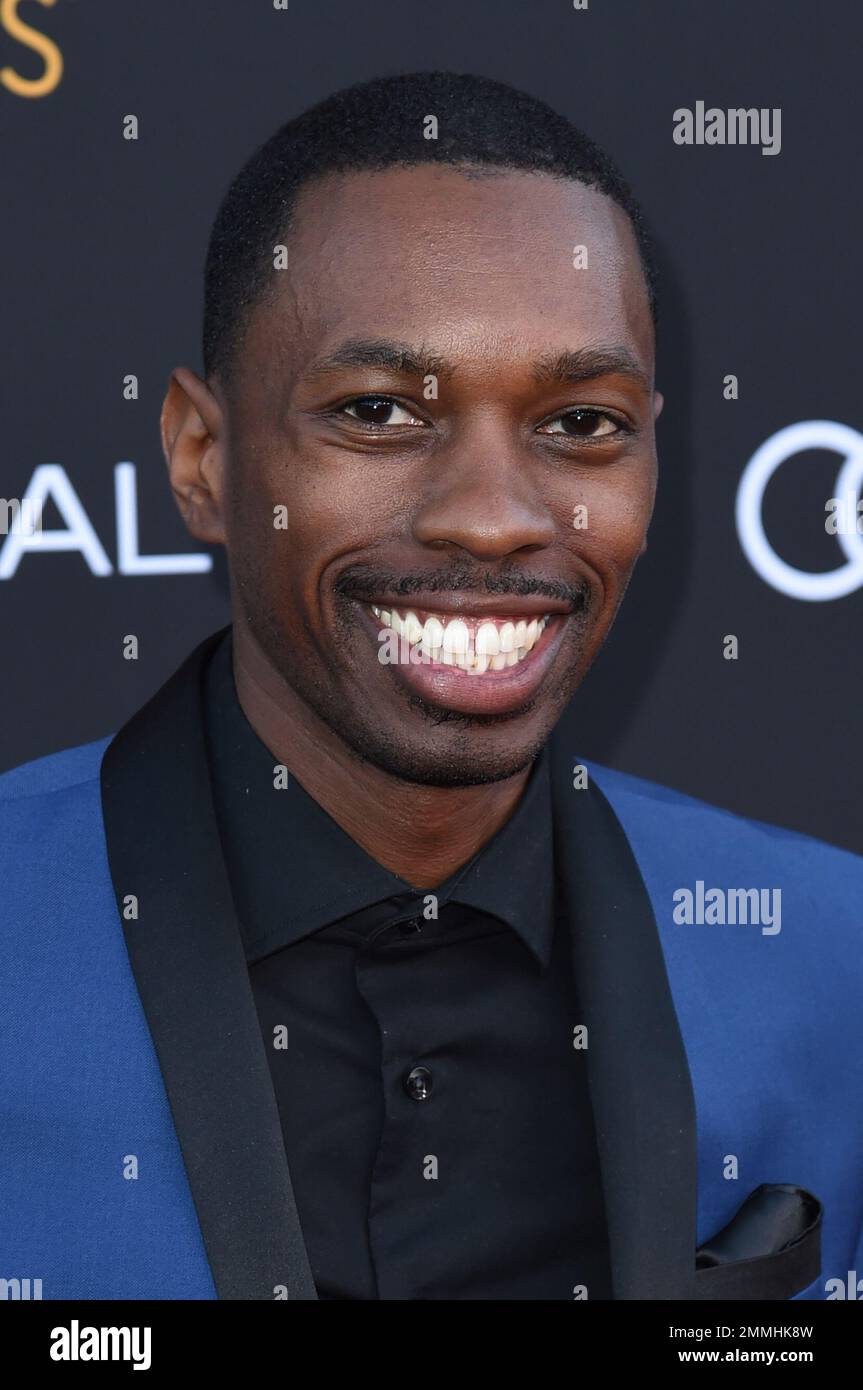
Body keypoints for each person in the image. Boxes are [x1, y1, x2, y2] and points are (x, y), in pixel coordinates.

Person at [1, 71, 860, 1302]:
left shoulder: (830, 962)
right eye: (378, 411)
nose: (493, 519)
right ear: (203, 459)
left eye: (579, 422)